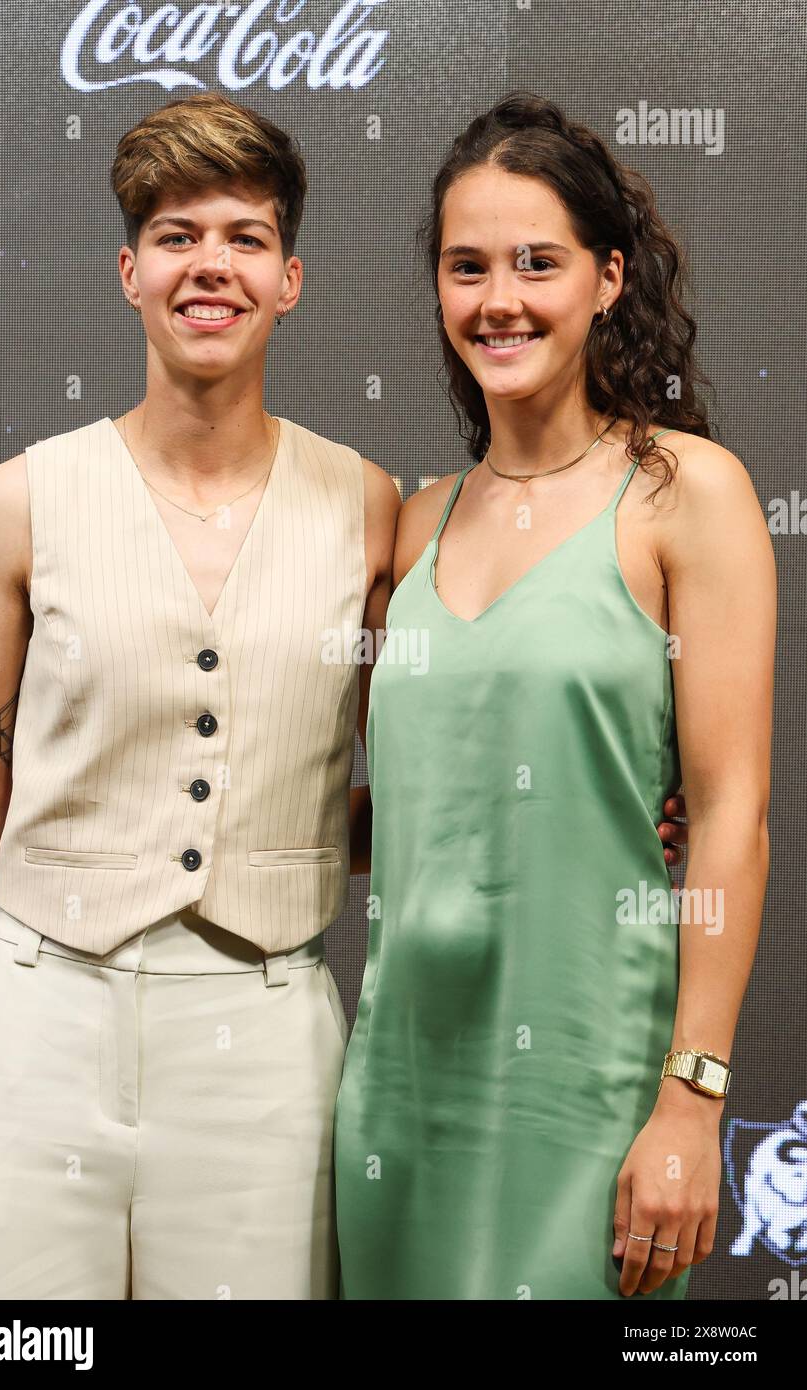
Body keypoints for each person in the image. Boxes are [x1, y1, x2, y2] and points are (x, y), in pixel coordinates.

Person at [0, 91, 405, 1300]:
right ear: (129, 270)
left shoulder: (368, 507)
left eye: (246, 237)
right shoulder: (20, 500)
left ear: (290, 277)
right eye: (178, 235)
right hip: (36, 1023)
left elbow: (409, 787)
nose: (213, 266)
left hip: (264, 1037)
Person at [333, 93, 775, 1300]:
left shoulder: (685, 491)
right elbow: (415, 809)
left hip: (592, 1088)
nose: (500, 299)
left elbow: (730, 812)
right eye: (466, 266)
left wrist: (690, 1098)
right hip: (400, 1095)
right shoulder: (412, 524)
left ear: (608, 277)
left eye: (539, 262)